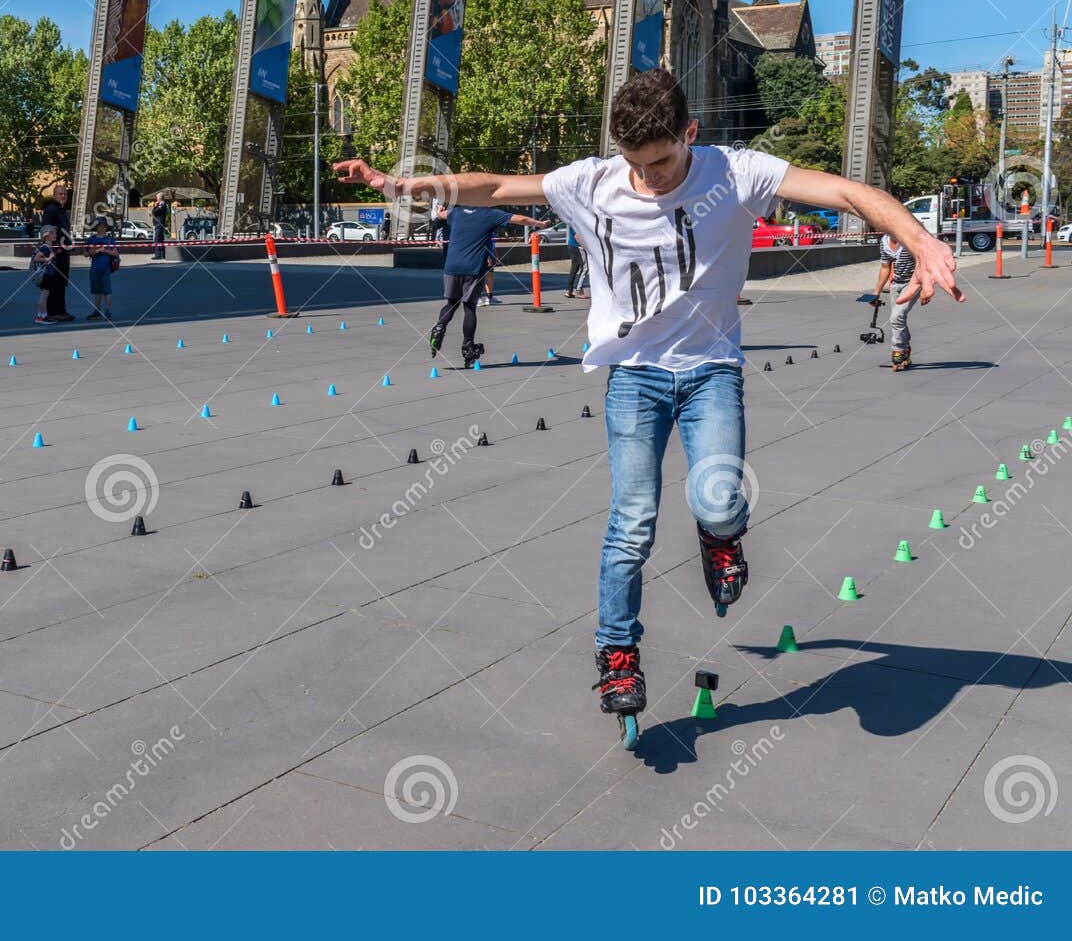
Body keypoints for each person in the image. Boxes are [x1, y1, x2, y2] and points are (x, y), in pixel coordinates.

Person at [335, 67, 962, 741]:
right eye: (635, 164)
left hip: (710, 371)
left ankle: (720, 538)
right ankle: (617, 653)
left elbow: (846, 191)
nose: (649, 178)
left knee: (719, 503)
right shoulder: (592, 181)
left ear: (690, 133)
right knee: (632, 522)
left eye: (661, 163)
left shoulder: (734, 171)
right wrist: (402, 185)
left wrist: (920, 239)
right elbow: (494, 187)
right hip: (634, 378)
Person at [428, 204, 544, 366]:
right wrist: (539, 223)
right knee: (469, 307)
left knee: (451, 303)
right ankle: (468, 347)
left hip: (451, 266)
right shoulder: (490, 214)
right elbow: (520, 219)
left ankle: (439, 327)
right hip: (473, 268)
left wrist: (439, 212)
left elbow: (440, 215)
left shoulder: (456, 212)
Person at [876, 230, 918, 371]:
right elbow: (885, 267)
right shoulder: (884, 242)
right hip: (896, 284)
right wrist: (877, 291)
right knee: (899, 319)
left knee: (896, 317)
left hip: (913, 283)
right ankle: (906, 350)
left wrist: (927, 289)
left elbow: (922, 264)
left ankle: (898, 350)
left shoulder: (909, 240)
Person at [40, 185, 74, 320]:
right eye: (60, 194)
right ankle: (54, 312)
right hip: (56, 251)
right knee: (55, 282)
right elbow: (46, 230)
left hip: (63, 250)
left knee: (62, 281)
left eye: (65, 194)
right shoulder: (51, 209)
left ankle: (61, 310)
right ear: (54, 195)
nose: (63, 196)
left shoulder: (61, 209)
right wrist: (54, 247)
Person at [31, 226, 70, 326]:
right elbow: (36, 258)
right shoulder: (45, 247)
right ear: (46, 235)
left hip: (48, 274)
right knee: (44, 296)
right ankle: (42, 317)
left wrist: (55, 252)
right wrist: (48, 259)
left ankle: (41, 315)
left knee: (45, 295)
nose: (55, 235)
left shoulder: (49, 247)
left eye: (55, 233)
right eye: (52, 233)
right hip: (46, 275)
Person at [85, 216, 119, 320]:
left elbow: (116, 253)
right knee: (97, 291)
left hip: (105, 268)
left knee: (107, 291)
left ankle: (108, 311)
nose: (101, 228)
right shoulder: (91, 239)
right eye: (99, 226)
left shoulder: (109, 239)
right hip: (94, 268)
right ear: (96, 227)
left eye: (103, 226)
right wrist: (95, 251)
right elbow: (86, 254)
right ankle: (97, 311)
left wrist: (105, 250)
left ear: (106, 227)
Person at [565, 223, 589, 299]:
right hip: (577, 247)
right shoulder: (577, 221)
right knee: (585, 268)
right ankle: (578, 290)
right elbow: (577, 236)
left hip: (571, 245)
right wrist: (585, 247)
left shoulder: (572, 220)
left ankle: (569, 290)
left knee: (574, 268)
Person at [150, 194, 170, 260]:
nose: (156, 199)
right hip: (159, 224)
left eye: (157, 198)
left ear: (159, 198)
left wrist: (155, 206)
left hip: (159, 224)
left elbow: (154, 211)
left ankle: (158, 255)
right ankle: (162, 254)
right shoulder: (162, 204)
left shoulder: (162, 204)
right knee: (160, 239)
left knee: (157, 239)